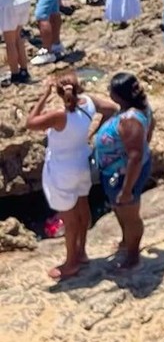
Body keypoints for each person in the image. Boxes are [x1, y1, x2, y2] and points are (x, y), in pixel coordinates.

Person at [26, 71, 117, 280]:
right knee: (82, 208)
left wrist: (43, 96)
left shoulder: (59, 116)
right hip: (81, 163)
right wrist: (95, 133)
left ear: (59, 92)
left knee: (69, 218)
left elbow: (30, 123)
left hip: (62, 170)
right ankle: (82, 252)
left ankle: (71, 263)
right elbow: (112, 108)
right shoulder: (88, 103)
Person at [93, 72, 154, 271]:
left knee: (130, 215)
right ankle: (126, 242)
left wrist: (127, 188)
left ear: (119, 96)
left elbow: (135, 156)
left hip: (125, 175)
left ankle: (133, 256)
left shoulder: (130, 120)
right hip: (115, 173)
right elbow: (150, 130)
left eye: (111, 89)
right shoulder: (137, 109)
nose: (108, 92)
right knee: (119, 210)